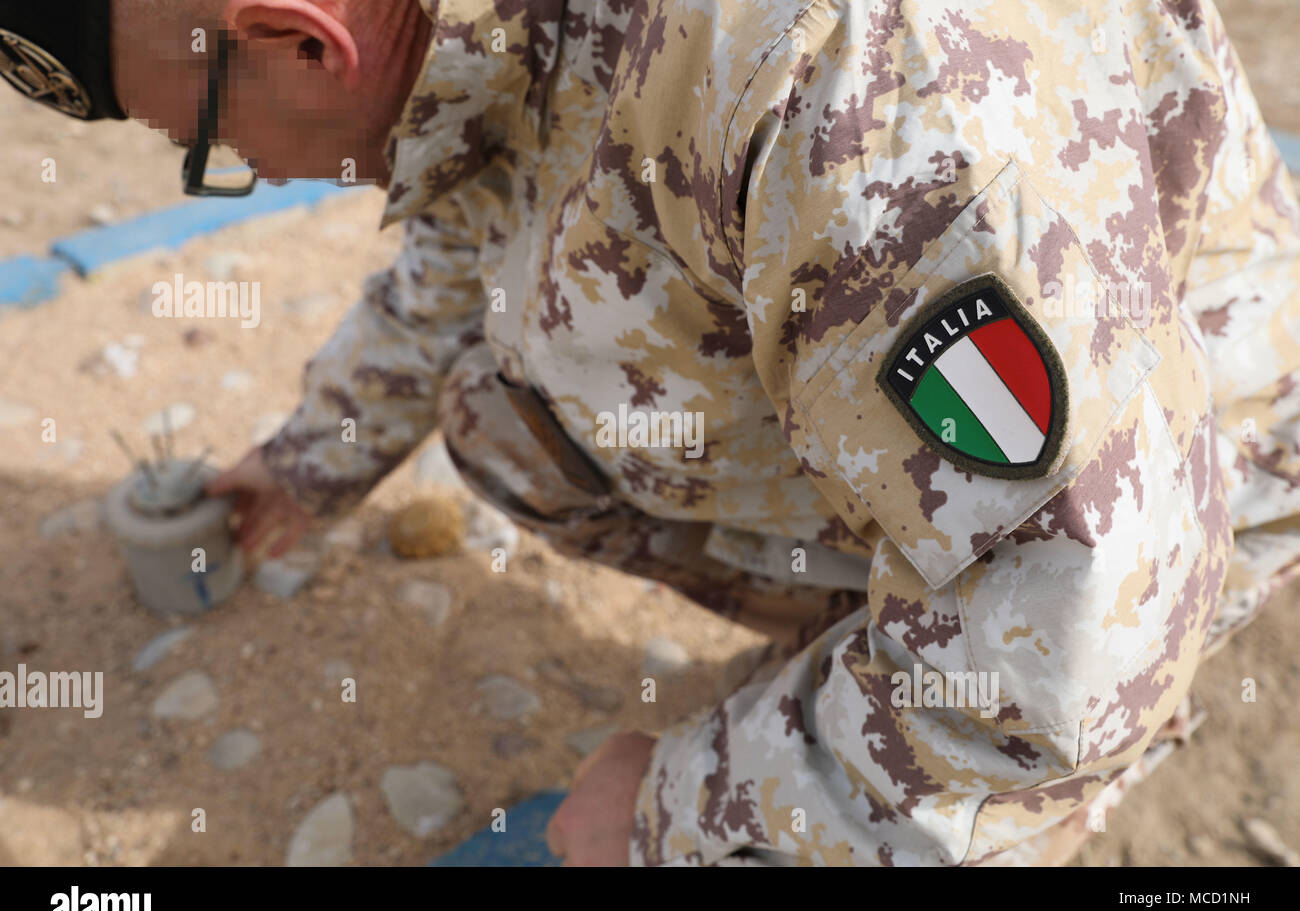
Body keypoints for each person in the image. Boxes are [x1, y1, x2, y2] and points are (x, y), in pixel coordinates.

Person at [5, 0, 1299, 866]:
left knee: (1016, 670)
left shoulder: (844, 93)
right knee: (509, 424)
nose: (242, 168)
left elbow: (1081, 634)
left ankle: (895, 730)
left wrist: (680, 819)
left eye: (205, 140)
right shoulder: (481, 33)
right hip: (1052, 466)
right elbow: (477, 230)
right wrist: (302, 466)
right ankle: (871, 659)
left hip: (1193, 500)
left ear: (298, 43)